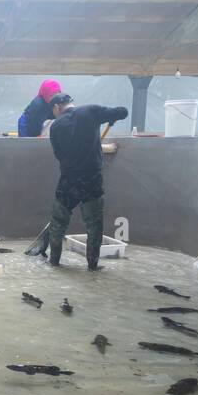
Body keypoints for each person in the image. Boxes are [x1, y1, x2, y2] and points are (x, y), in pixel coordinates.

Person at [41, 92, 128, 270]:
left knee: (58, 223)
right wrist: (112, 117)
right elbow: (123, 111)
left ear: (57, 108)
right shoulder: (91, 111)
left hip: (68, 180)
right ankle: (93, 265)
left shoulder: (56, 126)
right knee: (94, 224)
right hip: (92, 178)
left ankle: (54, 261)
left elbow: (58, 155)